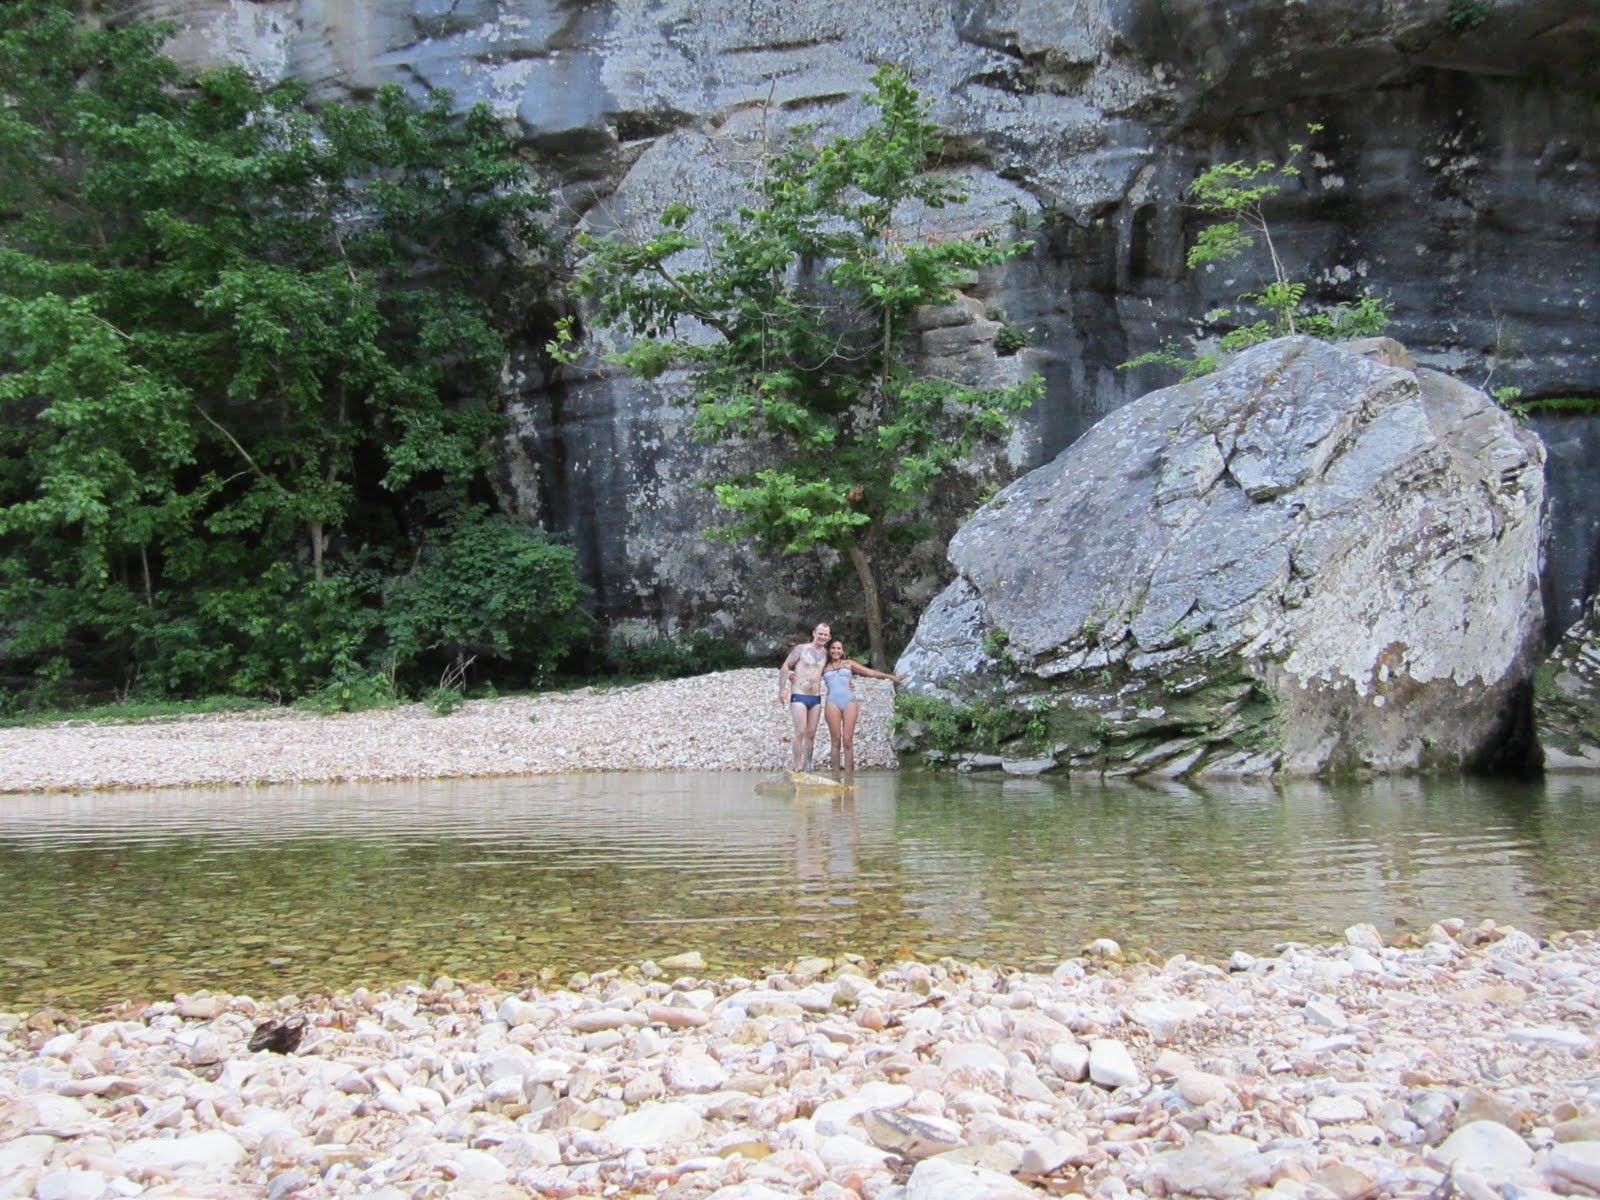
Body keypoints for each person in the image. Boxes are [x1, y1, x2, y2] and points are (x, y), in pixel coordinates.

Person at [821, 638, 906, 773]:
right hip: (832, 702)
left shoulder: (848, 663)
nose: (836, 651)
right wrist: (794, 677)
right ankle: (836, 776)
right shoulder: (823, 666)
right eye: (833, 648)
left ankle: (849, 776)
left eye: (839, 648)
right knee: (835, 740)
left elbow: (870, 672)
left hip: (849, 702)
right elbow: (809, 675)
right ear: (829, 650)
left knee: (848, 740)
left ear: (842, 651)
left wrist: (891, 677)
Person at [779, 622, 831, 771]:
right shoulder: (801, 649)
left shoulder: (826, 654)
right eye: (820, 633)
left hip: (815, 697)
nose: (822, 637)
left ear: (828, 637)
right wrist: (782, 689)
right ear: (814, 633)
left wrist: (849, 681)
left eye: (825, 635)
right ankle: (797, 767)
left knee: (811, 733)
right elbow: (785, 666)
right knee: (800, 731)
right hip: (799, 694)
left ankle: (808, 766)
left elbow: (834, 669)